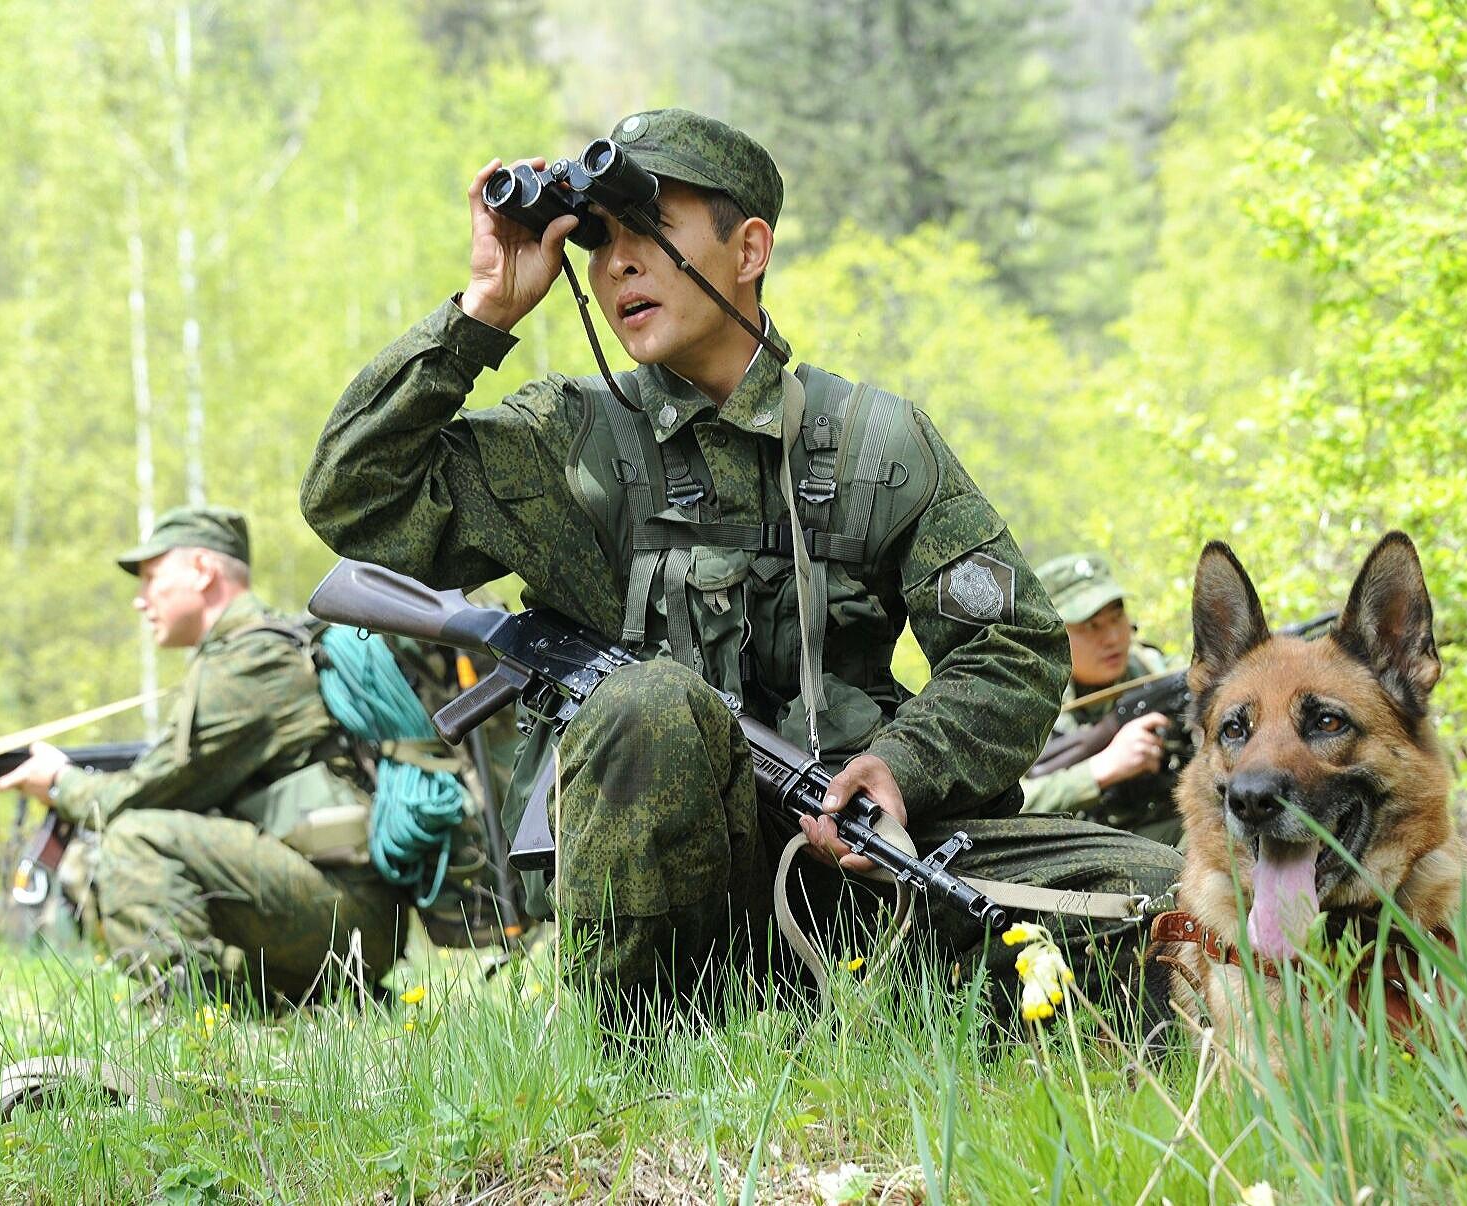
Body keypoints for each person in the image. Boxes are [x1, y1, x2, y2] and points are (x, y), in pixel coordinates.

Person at [301, 109, 1180, 1020]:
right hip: (676, 906)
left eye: (650, 232)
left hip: (858, 860)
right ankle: (643, 1054)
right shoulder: (567, 440)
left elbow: (1014, 648)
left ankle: (898, 1004)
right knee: (649, 704)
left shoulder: (873, 440)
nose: (617, 266)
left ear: (749, 248)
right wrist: (482, 308)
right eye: (600, 244)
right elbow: (352, 496)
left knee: (1167, 898)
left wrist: (899, 767)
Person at [0, 506, 412, 1005]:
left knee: (136, 841)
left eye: (151, 577)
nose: (140, 600)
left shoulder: (250, 661)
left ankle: (195, 1032)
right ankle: (302, 1011)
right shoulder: (252, 649)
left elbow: (138, 794)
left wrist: (60, 783)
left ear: (202, 571)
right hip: (339, 909)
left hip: (350, 915)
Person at [1020, 551, 1186, 844]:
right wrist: (1099, 771)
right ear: (1050, 633)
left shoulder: (1152, 669)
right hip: (1084, 848)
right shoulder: (1029, 704)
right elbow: (1011, 803)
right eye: (1091, 626)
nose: (1112, 638)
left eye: (1116, 617)